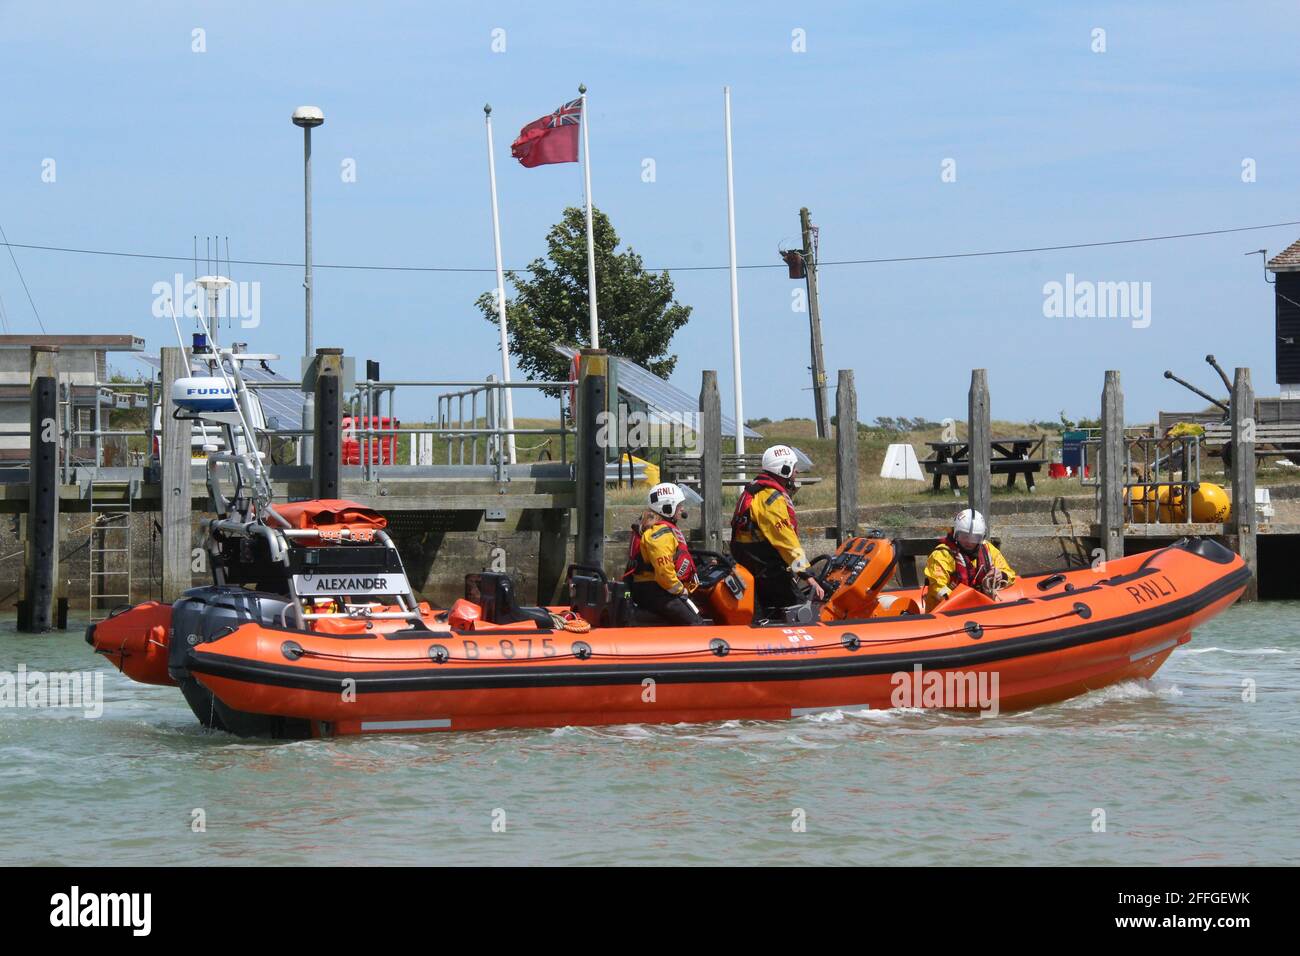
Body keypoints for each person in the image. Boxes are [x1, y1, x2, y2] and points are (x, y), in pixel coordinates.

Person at [729, 445, 824, 613]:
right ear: (785, 469)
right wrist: (807, 574)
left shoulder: (756, 490)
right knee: (800, 609)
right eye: (794, 468)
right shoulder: (772, 499)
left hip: (752, 564)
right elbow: (785, 541)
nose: (796, 473)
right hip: (767, 569)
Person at [625, 482, 706, 625]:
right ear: (668, 507)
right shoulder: (660, 534)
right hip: (655, 590)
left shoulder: (657, 530)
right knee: (696, 624)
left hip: (653, 589)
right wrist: (680, 590)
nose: (682, 509)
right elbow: (664, 572)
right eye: (679, 506)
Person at [923, 509, 1017, 611]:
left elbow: (1010, 575)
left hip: (980, 608)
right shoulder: (942, 555)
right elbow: (938, 588)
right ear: (956, 534)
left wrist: (1000, 576)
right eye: (964, 536)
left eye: (975, 537)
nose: (969, 542)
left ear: (981, 537)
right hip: (947, 612)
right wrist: (966, 600)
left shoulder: (989, 550)